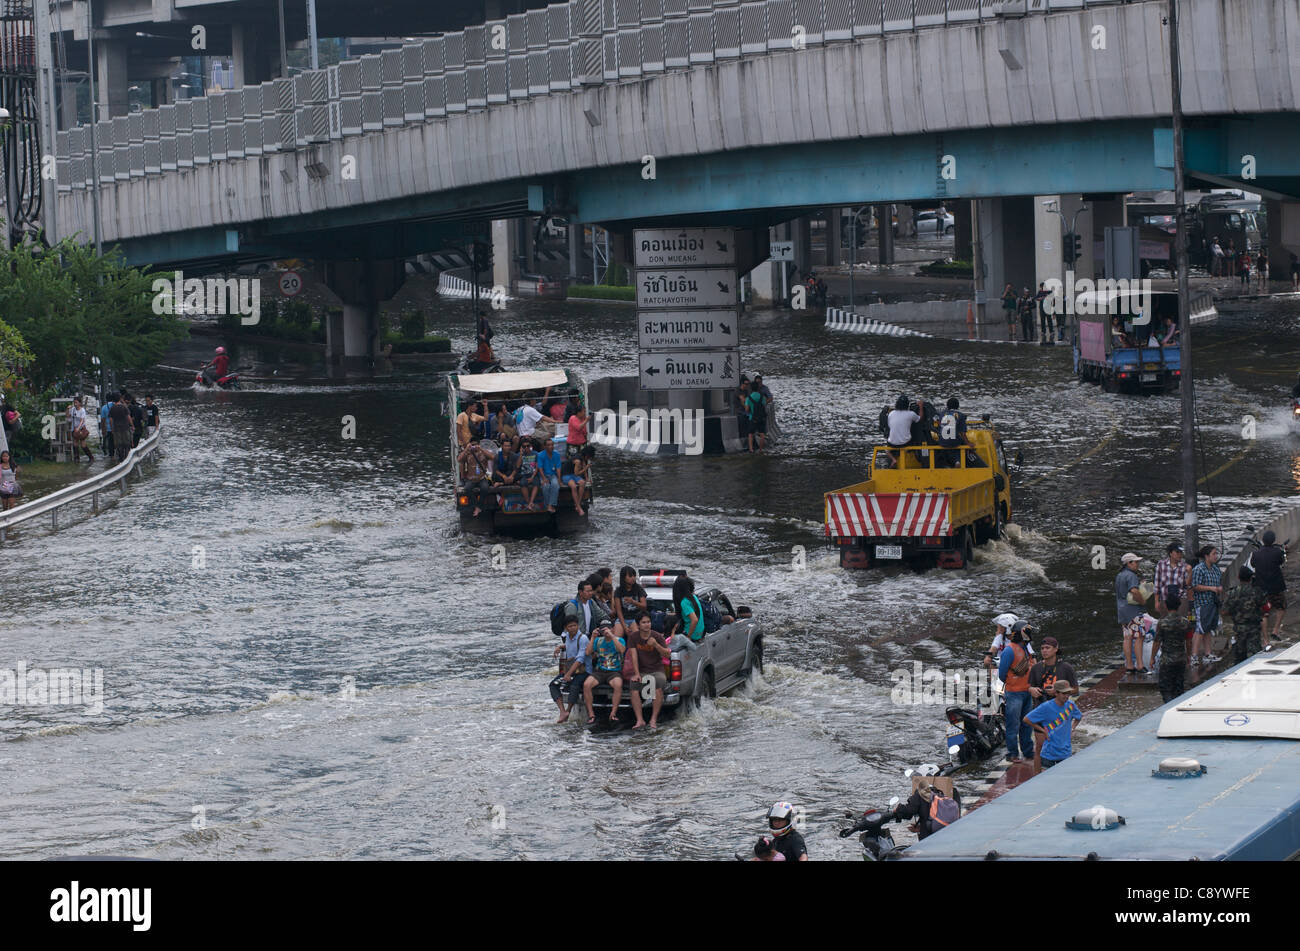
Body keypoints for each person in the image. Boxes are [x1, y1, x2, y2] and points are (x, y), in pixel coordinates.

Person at [1024, 681, 1083, 770]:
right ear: (1056, 693)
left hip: (1066, 753)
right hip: (1048, 754)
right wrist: (1043, 730)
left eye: (1068, 693)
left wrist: (1072, 728)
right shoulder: (1046, 707)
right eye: (1064, 693)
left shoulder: (1071, 705)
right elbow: (1027, 719)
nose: (1067, 696)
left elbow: (1078, 717)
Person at [997, 625, 1034, 762]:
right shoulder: (1009, 650)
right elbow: (1001, 674)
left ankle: (1028, 751)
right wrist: (1014, 683)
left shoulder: (1026, 649)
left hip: (1026, 692)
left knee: (1027, 724)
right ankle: (1012, 753)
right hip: (1014, 694)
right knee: (1013, 724)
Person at [626, 613, 669, 730]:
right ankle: (640, 720)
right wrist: (637, 674)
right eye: (644, 622)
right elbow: (633, 656)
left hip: (657, 670)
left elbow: (667, 654)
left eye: (648, 622)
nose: (647, 625)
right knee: (633, 686)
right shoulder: (633, 637)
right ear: (638, 625)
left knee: (658, 686)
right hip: (642, 671)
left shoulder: (657, 636)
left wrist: (655, 644)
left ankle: (653, 719)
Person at [1222, 565, 1270, 662]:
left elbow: (1224, 611)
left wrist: (1237, 612)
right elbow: (1266, 607)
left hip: (1239, 629)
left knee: (1239, 659)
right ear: (1251, 578)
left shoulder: (1232, 593)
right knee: (1255, 658)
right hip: (1254, 629)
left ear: (1238, 577)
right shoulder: (1257, 592)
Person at [888, 777, 962, 840]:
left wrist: (898, 809)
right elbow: (931, 814)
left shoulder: (921, 794)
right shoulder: (939, 793)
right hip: (946, 830)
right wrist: (919, 826)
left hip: (930, 835)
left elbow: (909, 811)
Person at [1247, 530, 1287, 648]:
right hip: (1276, 587)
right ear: (1273, 540)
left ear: (1263, 541)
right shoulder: (1278, 552)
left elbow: (1253, 565)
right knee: (1281, 607)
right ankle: (1275, 630)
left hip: (1261, 588)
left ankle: (1265, 640)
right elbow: (1281, 562)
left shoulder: (1256, 554)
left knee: (1264, 614)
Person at [583, 619, 625, 725]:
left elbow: (622, 650)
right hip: (600, 671)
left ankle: (613, 713)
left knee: (618, 685)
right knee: (586, 685)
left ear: (612, 629)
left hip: (614, 671)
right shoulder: (599, 641)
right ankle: (591, 714)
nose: (606, 631)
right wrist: (593, 637)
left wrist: (612, 636)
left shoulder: (619, 639)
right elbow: (587, 652)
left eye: (609, 628)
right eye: (604, 629)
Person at [1152, 592, 1193, 702]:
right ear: (1179, 605)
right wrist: (1189, 656)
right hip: (1181, 659)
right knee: (1179, 686)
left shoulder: (1162, 623)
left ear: (1166, 605)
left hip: (1167, 660)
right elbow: (1189, 641)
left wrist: (1152, 658)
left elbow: (1157, 642)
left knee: (1165, 687)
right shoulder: (1185, 622)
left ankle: (1168, 705)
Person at [550, 617, 591, 724]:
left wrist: (568, 674)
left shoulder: (583, 638)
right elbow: (569, 646)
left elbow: (580, 659)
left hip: (583, 670)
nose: (573, 628)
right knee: (553, 685)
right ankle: (563, 711)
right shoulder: (568, 637)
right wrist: (560, 647)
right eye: (570, 626)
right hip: (571, 670)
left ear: (578, 625)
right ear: (566, 628)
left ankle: (568, 710)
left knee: (574, 685)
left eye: (574, 625)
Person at [1189, 544, 1223, 666]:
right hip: (1202, 604)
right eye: (1213, 554)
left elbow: (1219, 583)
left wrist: (1218, 589)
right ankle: (1194, 656)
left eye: (1216, 554)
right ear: (1206, 556)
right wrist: (1211, 588)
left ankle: (1208, 654)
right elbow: (1195, 586)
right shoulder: (1199, 569)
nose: (1216, 556)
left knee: (1208, 629)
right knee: (1200, 629)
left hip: (1213, 603)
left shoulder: (1216, 569)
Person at [1116, 553, 1146, 673]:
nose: (1138, 564)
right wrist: (1142, 601)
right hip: (1133, 610)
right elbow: (1134, 591)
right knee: (1139, 637)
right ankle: (1139, 665)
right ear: (1129, 563)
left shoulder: (1119, 575)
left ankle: (1129, 665)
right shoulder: (1131, 575)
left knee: (1127, 637)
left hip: (1122, 610)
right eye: (1135, 562)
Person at [1027, 636, 1077, 708]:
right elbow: (1029, 687)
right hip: (1040, 707)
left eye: (1047, 648)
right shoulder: (1035, 668)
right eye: (1042, 648)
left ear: (1056, 649)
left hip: (1059, 708)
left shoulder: (1066, 667)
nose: (1044, 650)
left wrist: (1058, 691)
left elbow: (1075, 689)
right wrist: (1032, 690)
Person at [457, 440, 496, 519]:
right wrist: (466, 449)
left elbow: (492, 457)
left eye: (475, 445)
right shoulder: (467, 453)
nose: (474, 446)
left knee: (485, 488)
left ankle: (478, 507)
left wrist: (481, 449)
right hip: (471, 479)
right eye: (472, 445)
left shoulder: (483, 453)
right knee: (467, 489)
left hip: (481, 478)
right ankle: (476, 506)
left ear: (478, 445)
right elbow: (459, 459)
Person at [1153, 542, 1190, 618]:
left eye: (1181, 552)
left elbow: (1187, 585)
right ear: (1170, 553)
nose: (1180, 554)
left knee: (1180, 623)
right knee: (1165, 623)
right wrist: (1156, 601)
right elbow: (1157, 585)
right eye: (1177, 552)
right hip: (1165, 598)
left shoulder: (1185, 566)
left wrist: (1190, 573)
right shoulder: (1161, 564)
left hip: (1180, 600)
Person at [671, 574, 705, 643]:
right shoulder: (693, 597)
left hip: (693, 635)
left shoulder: (684, 602)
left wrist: (688, 636)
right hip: (701, 633)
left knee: (669, 636)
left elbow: (694, 620)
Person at [560, 445, 591, 517]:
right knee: (573, 486)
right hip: (566, 474)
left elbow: (583, 467)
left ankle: (578, 504)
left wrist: (586, 478)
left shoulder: (582, 458)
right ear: (587, 455)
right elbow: (577, 473)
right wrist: (586, 468)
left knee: (582, 483)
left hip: (573, 475)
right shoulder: (577, 461)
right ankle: (579, 507)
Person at [516, 437, 542, 510]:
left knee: (536, 483)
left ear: (530, 446)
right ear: (521, 447)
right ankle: (529, 503)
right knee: (522, 483)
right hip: (523, 474)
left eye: (528, 446)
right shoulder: (519, 455)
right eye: (524, 446)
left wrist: (532, 477)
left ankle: (531, 502)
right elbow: (517, 466)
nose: (526, 448)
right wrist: (521, 454)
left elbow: (537, 466)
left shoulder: (535, 453)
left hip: (533, 474)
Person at [746, 380, 769, 453]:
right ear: (758, 388)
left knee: (750, 434)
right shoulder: (762, 397)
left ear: (751, 388)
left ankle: (751, 449)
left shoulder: (748, 398)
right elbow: (764, 405)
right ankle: (761, 449)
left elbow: (746, 409)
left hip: (752, 418)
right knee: (762, 434)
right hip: (761, 418)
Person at [67, 398, 92, 462]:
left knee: (83, 444)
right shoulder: (72, 409)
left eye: (76, 403)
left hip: (81, 429)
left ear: (80, 403)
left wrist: (78, 428)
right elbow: (68, 416)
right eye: (74, 403)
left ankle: (90, 457)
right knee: (75, 443)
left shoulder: (82, 410)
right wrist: (67, 409)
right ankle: (77, 458)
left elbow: (82, 420)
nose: (75, 404)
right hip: (74, 428)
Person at [108, 395, 132, 462]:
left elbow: (110, 420)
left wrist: (112, 428)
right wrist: (132, 425)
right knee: (127, 443)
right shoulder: (124, 407)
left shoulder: (112, 408)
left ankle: (121, 458)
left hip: (116, 429)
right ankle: (127, 457)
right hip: (125, 428)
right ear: (119, 399)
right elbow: (128, 417)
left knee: (119, 444)